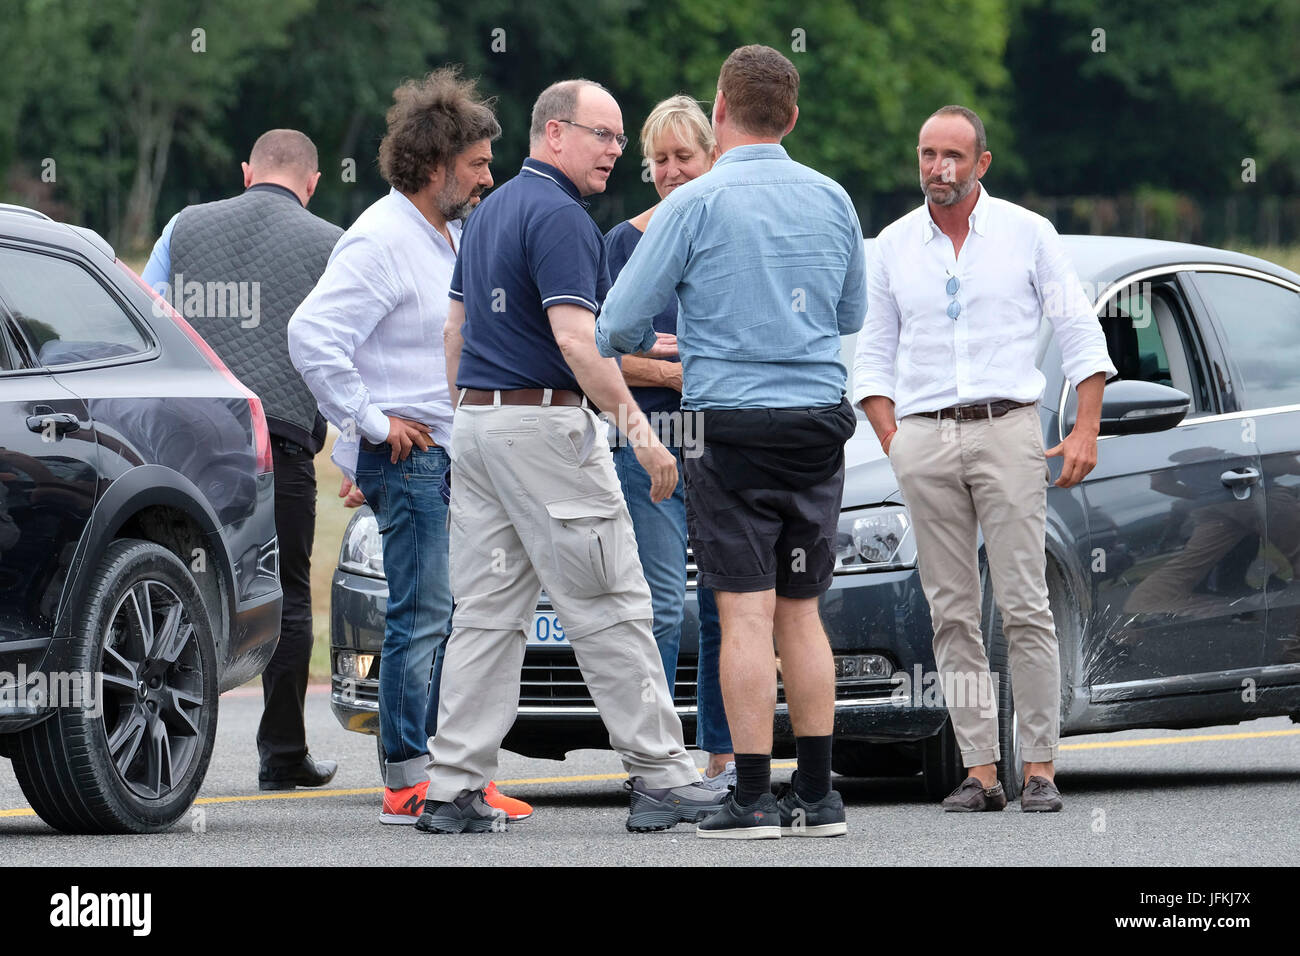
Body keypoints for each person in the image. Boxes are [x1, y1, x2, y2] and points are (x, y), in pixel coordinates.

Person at [420, 78, 725, 835]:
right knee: (615, 605)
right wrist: (643, 435)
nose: (617, 152)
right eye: (604, 134)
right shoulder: (560, 217)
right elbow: (573, 340)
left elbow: (455, 334)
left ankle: (452, 787)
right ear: (554, 133)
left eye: (622, 140)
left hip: (482, 426)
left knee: (486, 619)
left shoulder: (487, 215)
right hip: (547, 430)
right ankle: (661, 777)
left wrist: (471, 415)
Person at [598, 45, 865, 839]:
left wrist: (682, 335)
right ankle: (817, 796)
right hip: (817, 422)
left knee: (743, 615)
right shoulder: (833, 198)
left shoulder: (693, 204)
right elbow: (849, 315)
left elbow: (616, 324)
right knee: (802, 612)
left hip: (730, 427)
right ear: (792, 116)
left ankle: (749, 795)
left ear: (719, 112)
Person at [853, 105, 1117, 812]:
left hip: (1008, 428)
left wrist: (1085, 427)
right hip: (924, 437)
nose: (937, 169)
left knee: (1025, 603)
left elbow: (1082, 337)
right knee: (951, 611)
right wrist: (894, 439)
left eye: (952, 156)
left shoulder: (1029, 235)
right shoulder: (894, 246)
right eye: (926, 154)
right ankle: (980, 769)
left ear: (982, 163)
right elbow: (872, 355)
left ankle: (1040, 767)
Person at [288, 69, 530, 824]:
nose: (492, 175)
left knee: (459, 619)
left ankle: (455, 774)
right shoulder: (381, 238)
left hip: (454, 455)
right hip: (413, 456)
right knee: (422, 617)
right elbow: (311, 335)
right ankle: (405, 780)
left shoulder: (451, 233)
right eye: (480, 164)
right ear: (435, 165)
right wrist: (369, 428)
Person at [142, 129, 343, 792]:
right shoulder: (332, 243)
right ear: (312, 184)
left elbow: (150, 316)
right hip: (278, 440)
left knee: (176, 587)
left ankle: (155, 753)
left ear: (246, 171)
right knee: (284, 596)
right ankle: (281, 752)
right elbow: (346, 352)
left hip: (190, 443)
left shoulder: (185, 225)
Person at [603, 94, 734, 790]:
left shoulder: (732, 236)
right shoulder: (624, 242)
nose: (671, 170)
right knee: (655, 600)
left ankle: (722, 754)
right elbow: (597, 352)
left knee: (724, 598)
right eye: (659, 159)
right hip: (647, 436)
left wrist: (680, 363)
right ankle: (654, 759)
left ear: (713, 156)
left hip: (722, 440)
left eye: (684, 156)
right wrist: (671, 368)